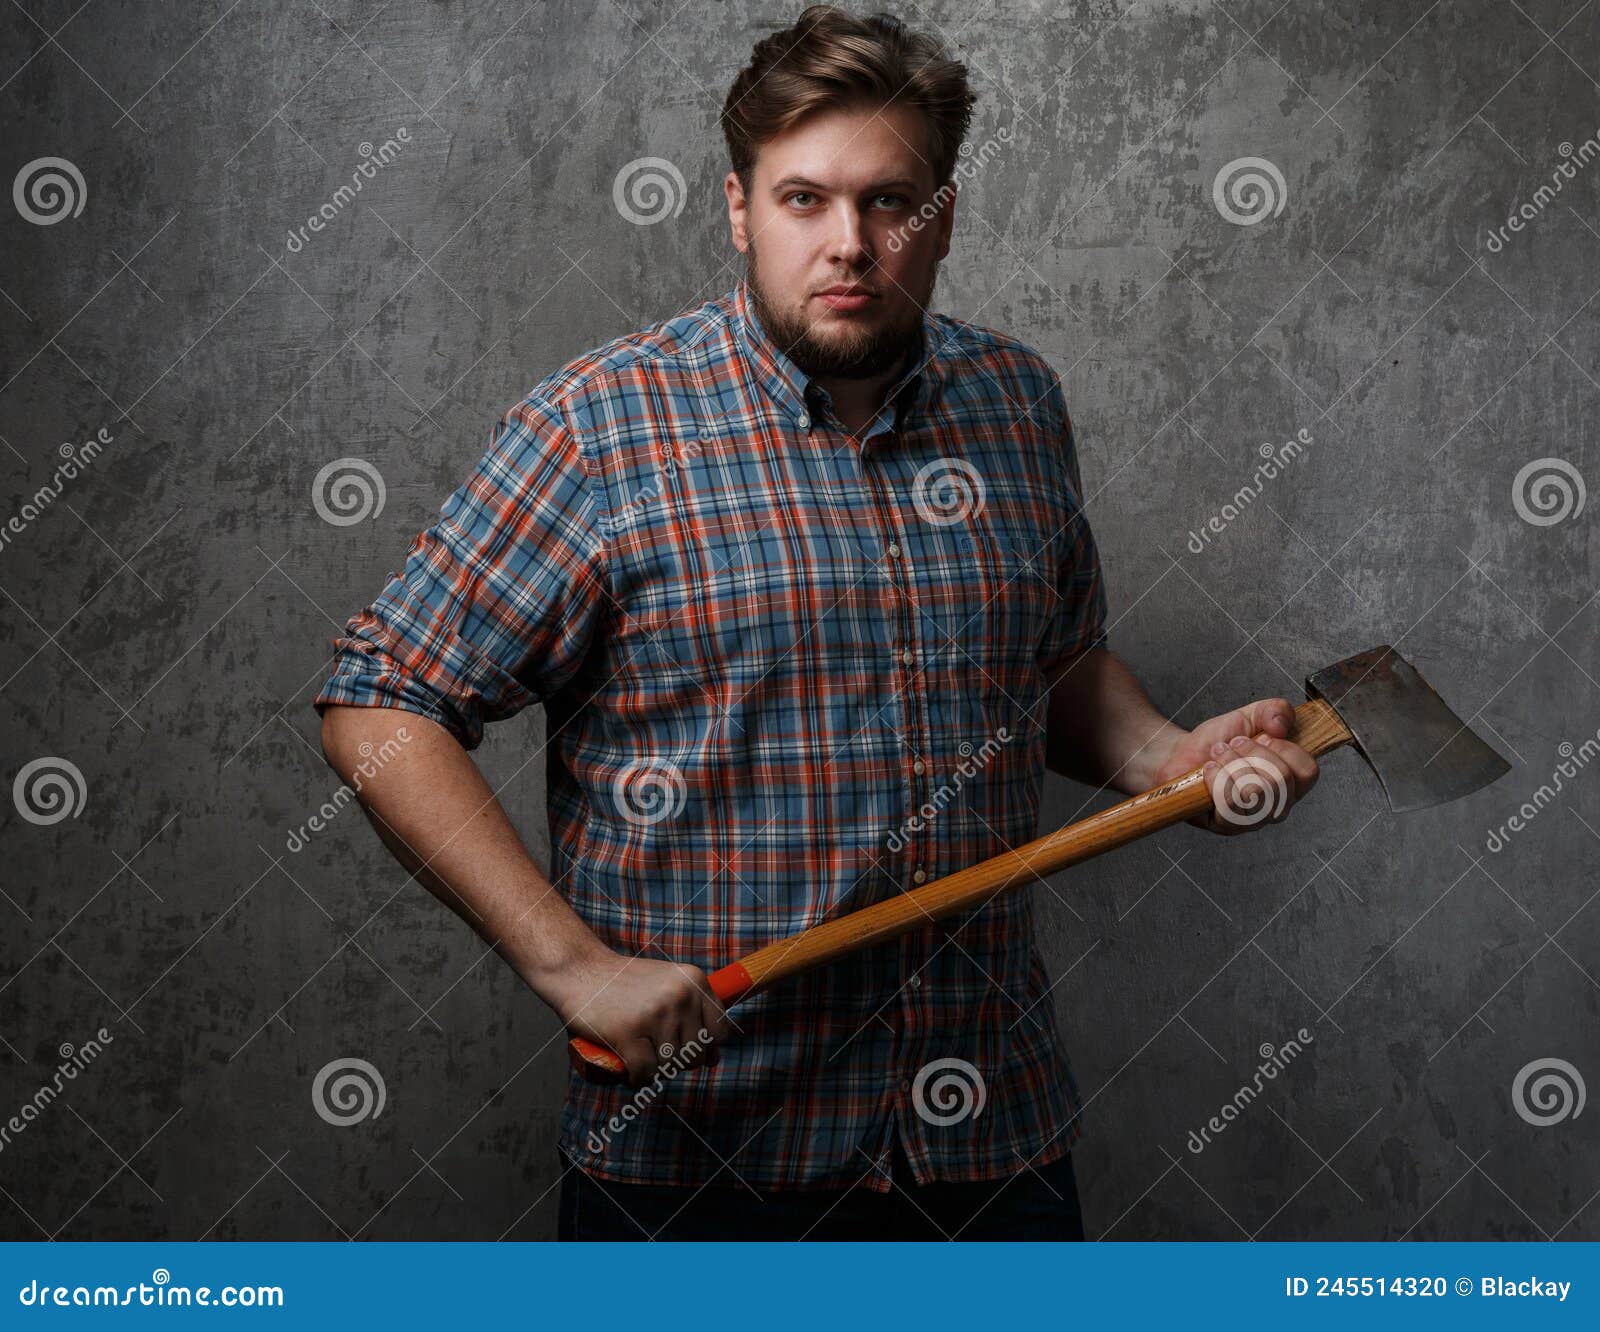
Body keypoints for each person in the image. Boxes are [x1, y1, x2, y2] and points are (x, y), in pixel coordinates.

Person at [312, 5, 1318, 1241]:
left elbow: (1048, 665)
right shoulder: (603, 428)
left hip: (986, 1147)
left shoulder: (1016, 403)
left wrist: (1170, 759)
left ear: (940, 215)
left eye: (889, 202)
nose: (849, 245)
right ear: (739, 211)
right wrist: (570, 966)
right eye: (802, 200)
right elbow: (383, 697)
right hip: (700, 1161)